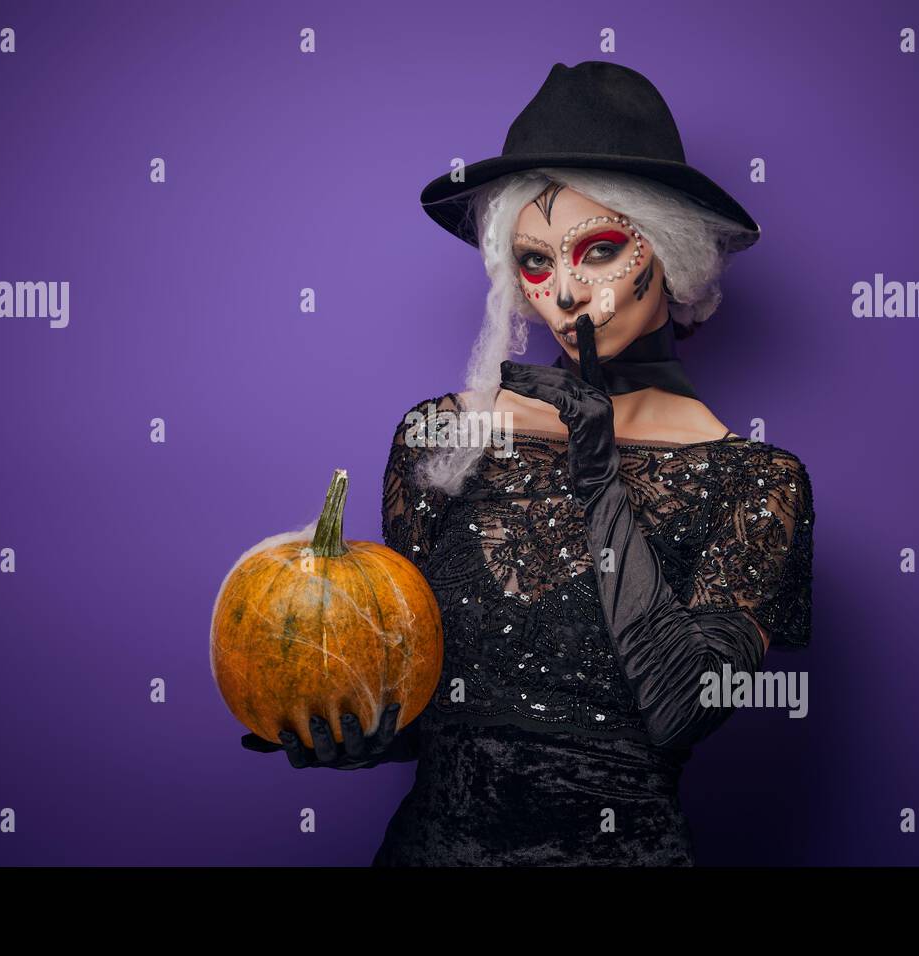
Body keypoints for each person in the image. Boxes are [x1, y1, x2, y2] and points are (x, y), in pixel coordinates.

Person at [243, 61, 815, 866]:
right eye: (536, 263)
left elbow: (681, 706)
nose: (567, 292)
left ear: (675, 254)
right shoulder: (444, 440)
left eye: (601, 248)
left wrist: (597, 474)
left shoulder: (756, 483)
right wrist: (362, 733)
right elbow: (419, 699)